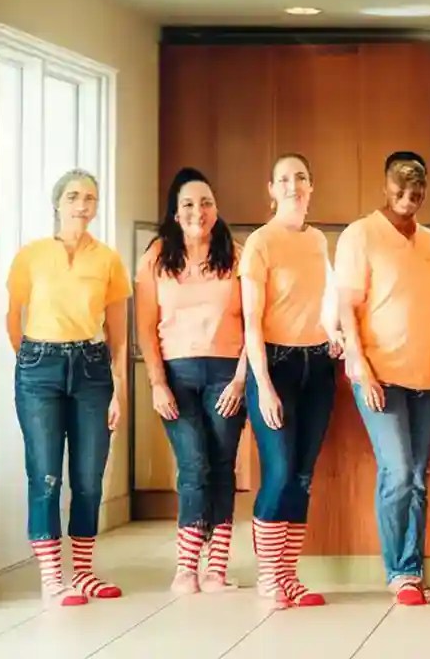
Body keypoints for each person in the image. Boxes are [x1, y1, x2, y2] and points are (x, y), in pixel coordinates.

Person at [7, 169, 130, 607]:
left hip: (93, 369)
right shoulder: (31, 255)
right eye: (74, 196)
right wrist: (31, 360)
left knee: (89, 479)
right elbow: (14, 317)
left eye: (91, 198)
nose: (83, 205)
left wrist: (119, 389)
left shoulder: (109, 260)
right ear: (57, 202)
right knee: (45, 477)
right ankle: (51, 578)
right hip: (39, 367)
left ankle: (83, 573)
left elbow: (118, 333)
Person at [336, 152, 430, 606]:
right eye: (400, 186)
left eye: (417, 187)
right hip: (378, 374)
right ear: (385, 185)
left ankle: (413, 570)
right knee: (397, 471)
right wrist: (361, 367)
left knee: (419, 476)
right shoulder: (361, 235)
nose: (409, 195)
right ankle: (398, 572)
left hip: (424, 377)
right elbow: (346, 306)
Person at [135, 168, 246, 596]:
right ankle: (186, 567)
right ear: (175, 213)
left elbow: (253, 323)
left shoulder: (236, 256)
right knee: (194, 464)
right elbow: (146, 326)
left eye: (205, 203)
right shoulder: (156, 256)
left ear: (216, 211)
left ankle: (215, 569)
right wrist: (157, 382)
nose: (197, 211)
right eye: (188, 204)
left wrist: (240, 381)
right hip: (176, 375)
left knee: (221, 467)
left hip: (226, 374)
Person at [241, 153, 342, 609]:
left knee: (302, 476)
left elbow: (324, 301)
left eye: (300, 177)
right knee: (279, 473)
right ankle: (268, 577)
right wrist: (262, 384)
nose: (292, 185)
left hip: (317, 366)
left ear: (311, 186)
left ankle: (288, 576)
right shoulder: (260, 243)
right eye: (283, 178)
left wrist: (335, 333)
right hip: (275, 366)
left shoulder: (319, 240)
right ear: (271, 188)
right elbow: (251, 320)